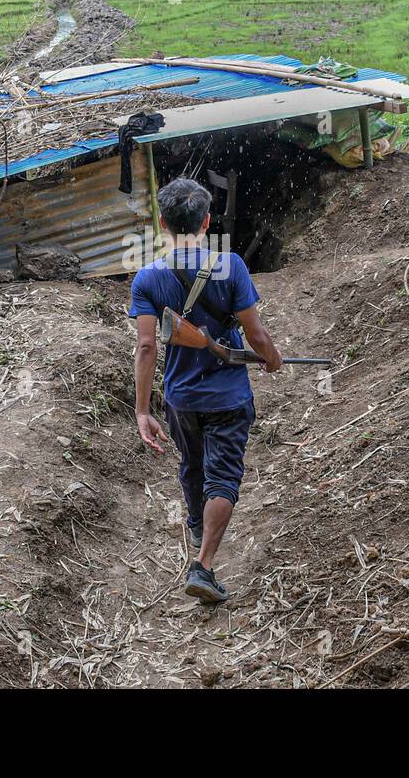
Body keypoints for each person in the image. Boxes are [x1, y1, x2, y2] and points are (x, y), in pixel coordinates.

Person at [129, 177, 283, 603]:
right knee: (224, 478)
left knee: (192, 464)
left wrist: (143, 410)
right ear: (207, 221)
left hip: (180, 397)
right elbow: (255, 333)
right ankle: (204, 565)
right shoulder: (230, 265)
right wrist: (271, 357)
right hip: (228, 396)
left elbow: (146, 345)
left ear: (162, 223)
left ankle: (197, 522)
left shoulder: (147, 277)